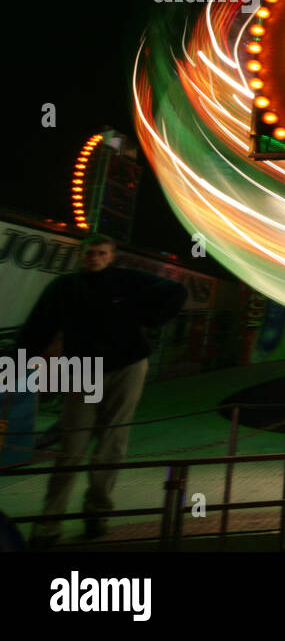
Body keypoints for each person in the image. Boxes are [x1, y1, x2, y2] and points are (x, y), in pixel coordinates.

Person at [17, 234, 188, 549]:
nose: (94, 258)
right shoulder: (65, 288)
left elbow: (176, 291)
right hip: (85, 368)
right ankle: (49, 522)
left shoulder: (128, 281)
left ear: (111, 256)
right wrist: (16, 368)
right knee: (73, 444)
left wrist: (149, 321)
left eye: (101, 253)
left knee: (112, 442)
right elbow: (37, 328)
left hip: (127, 365)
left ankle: (96, 514)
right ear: (81, 256)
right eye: (89, 253)